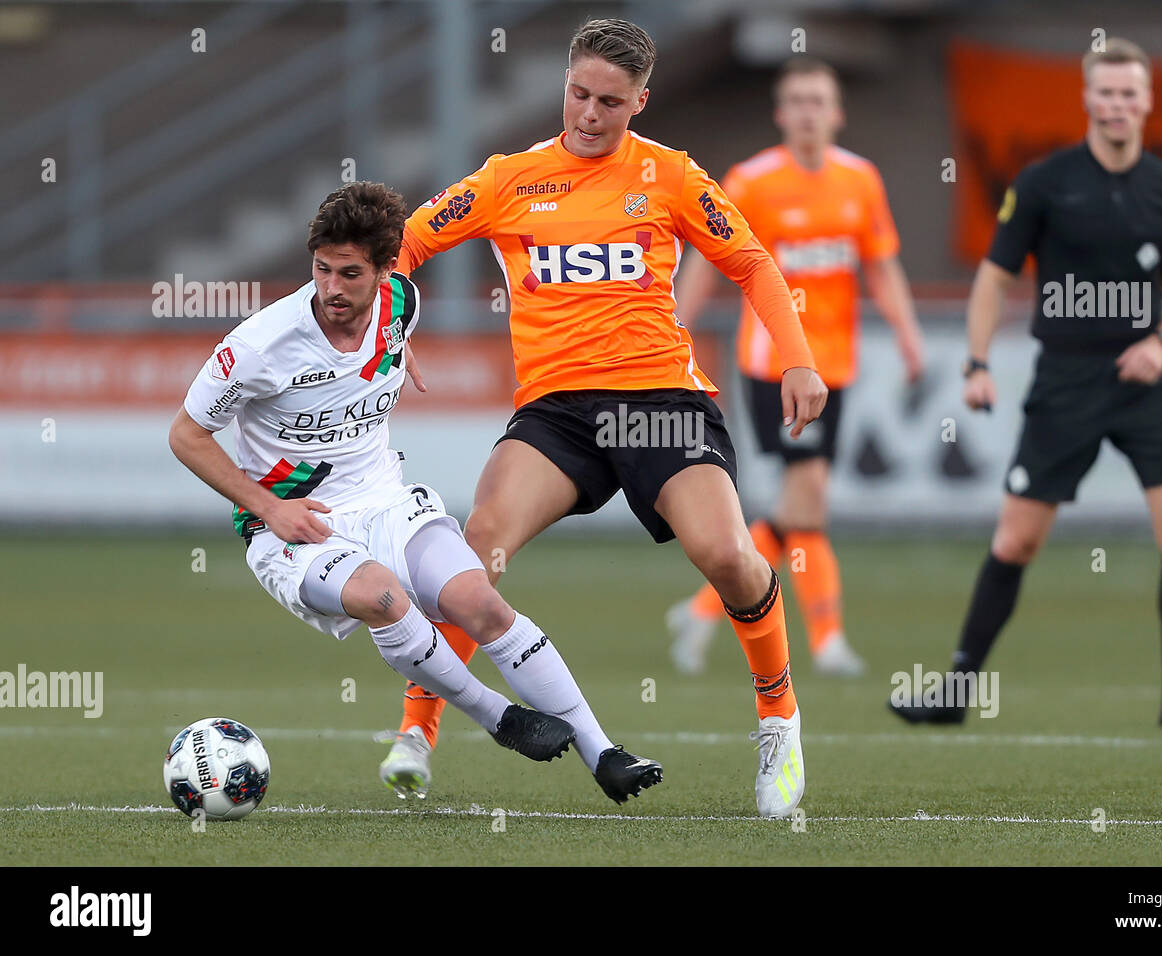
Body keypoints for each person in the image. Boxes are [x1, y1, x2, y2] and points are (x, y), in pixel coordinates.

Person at [386, 18, 828, 818]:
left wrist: (796, 357)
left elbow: (753, 260)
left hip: (661, 403)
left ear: (640, 103)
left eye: (610, 102)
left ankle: (779, 720)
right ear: (566, 85)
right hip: (557, 412)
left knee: (728, 554)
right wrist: (393, 326)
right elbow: (404, 244)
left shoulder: (669, 175)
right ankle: (419, 732)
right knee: (477, 546)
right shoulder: (507, 179)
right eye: (579, 94)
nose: (590, 113)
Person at [170, 181, 645, 807]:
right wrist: (269, 508)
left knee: (481, 602)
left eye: (350, 274)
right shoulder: (258, 346)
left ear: (385, 271)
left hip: (388, 503)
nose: (332, 289)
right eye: (321, 270)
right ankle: (497, 716)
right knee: (382, 597)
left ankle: (604, 752)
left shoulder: (401, 301)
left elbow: (386, 328)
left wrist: (396, 350)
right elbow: (186, 434)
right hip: (298, 528)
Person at [888, 38, 1162, 727]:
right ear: (1088, 99)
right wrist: (976, 364)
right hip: (1065, 381)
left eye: (1131, 93)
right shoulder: (1044, 183)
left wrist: (1161, 342)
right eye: (1108, 93)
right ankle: (955, 690)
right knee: (1016, 541)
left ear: (1147, 101)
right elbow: (994, 279)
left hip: (1146, 381)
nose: (1119, 104)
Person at [664, 56, 925, 677]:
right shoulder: (752, 181)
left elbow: (881, 265)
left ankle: (702, 610)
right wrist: (676, 326)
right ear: (781, 114)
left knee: (801, 505)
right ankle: (829, 640)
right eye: (797, 101)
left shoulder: (861, 180)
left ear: (837, 112)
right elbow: (708, 257)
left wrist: (910, 337)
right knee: (807, 499)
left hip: (837, 366)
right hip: (773, 365)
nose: (808, 113)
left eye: (819, 101)